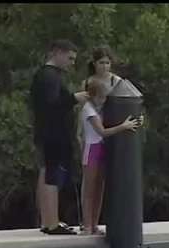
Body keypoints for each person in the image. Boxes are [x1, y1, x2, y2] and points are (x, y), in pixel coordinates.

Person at [30, 39, 88, 235]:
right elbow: (52, 104)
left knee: (46, 172)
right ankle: (51, 223)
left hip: (47, 133)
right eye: (70, 58)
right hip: (53, 134)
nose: (72, 63)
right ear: (57, 53)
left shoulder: (46, 75)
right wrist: (74, 98)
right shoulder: (49, 76)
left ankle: (48, 220)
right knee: (51, 176)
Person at [79, 78, 141, 235]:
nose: (103, 100)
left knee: (99, 189)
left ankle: (94, 224)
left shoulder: (101, 109)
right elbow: (102, 132)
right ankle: (87, 225)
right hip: (92, 150)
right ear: (92, 96)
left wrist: (136, 118)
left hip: (102, 149)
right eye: (101, 97)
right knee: (90, 190)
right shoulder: (89, 110)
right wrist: (123, 126)